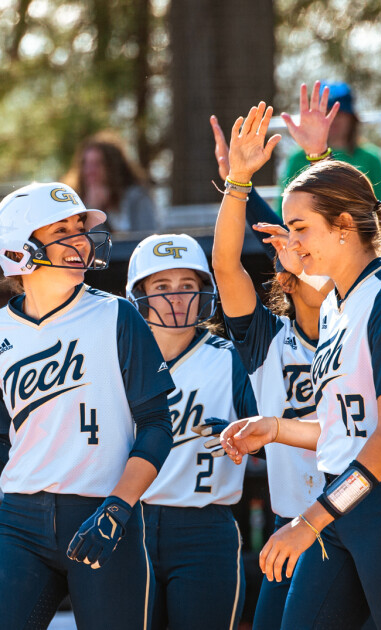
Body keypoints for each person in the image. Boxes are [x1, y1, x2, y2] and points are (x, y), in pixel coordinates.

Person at [219, 102, 381, 629]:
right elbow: (345, 428)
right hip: (344, 502)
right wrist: (276, 428)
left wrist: (311, 520)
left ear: (345, 225)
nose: (291, 241)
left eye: (300, 227)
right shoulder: (334, 303)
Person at [0, 181, 175, 629]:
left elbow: (156, 424)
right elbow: (0, 440)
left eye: (81, 227)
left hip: (102, 515)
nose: (81, 239)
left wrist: (117, 507)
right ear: (19, 249)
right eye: (63, 230)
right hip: (20, 522)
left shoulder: (117, 315)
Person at [208, 87, 361, 630]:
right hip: (289, 523)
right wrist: (238, 183)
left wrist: (322, 159)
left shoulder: (366, 319)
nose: (303, 249)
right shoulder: (267, 340)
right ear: (285, 276)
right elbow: (226, 266)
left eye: (310, 240)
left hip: (361, 518)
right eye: (293, 245)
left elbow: (361, 234)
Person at [127, 233, 254, 630]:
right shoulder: (115, 357)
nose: (176, 298)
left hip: (206, 530)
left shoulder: (231, 358)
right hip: (130, 522)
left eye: (187, 286)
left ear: (204, 293)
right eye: (161, 287)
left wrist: (244, 435)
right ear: (139, 293)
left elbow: (269, 441)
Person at [275, 81, 381, 213]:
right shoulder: (297, 158)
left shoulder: (370, 157)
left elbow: (380, 209)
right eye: (325, 113)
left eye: (339, 113)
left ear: (352, 118)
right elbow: (282, 209)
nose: (332, 120)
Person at [61, 131, 157, 233]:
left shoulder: (136, 197)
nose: (90, 171)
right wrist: (92, 209)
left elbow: (146, 236)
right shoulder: (76, 202)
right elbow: (87, 244)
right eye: (86, 164)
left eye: (97, 164)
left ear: (113, 166)